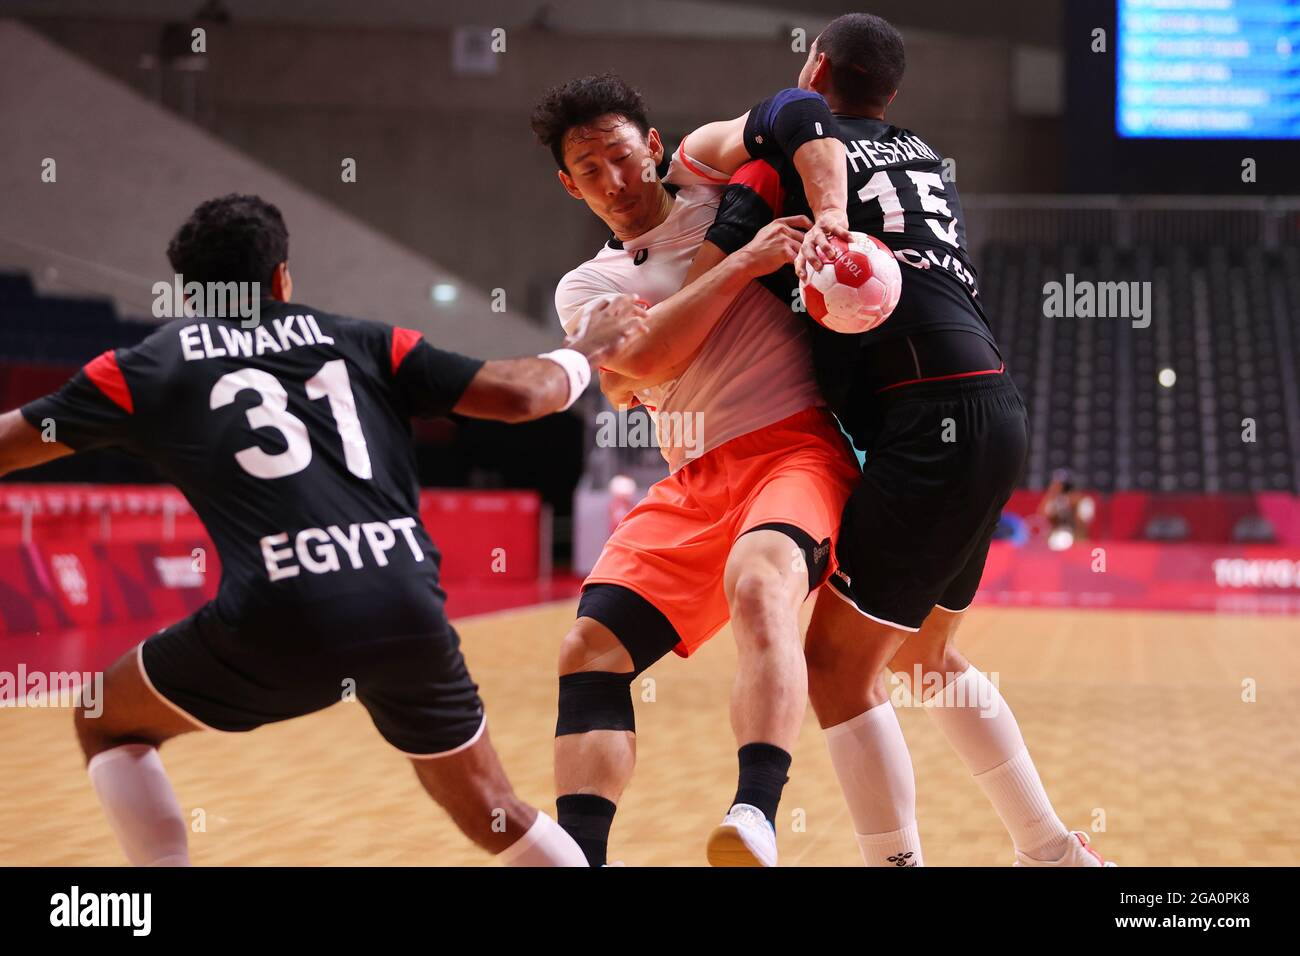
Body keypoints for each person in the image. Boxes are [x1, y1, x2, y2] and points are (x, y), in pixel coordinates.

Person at [0, 193, 649, 867]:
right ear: (282, 277)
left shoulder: (145, 367)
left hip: (281, 614)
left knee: (104, 718)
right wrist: (586, 347)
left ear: (189, 294)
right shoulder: (368, 340)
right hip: (405, 605)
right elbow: (522, 395)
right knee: (492, 810)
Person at [670, 13, 1114, 866]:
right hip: (993, 405)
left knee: (835, 667)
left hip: (925, 418)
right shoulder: (917, 155)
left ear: (816, 64)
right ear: (892, 94)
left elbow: (702, 224)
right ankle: (1053, 852)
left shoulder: (780, 160)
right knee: (926, 654)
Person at [530, 73, 861, 866]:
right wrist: (743, 261)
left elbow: (791, 116)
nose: (613, 182)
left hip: (795, 449)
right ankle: (582, 856)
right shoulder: (589, 285)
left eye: (620, 156)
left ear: (652, 148)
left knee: (758, 585)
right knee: (589, 649)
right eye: (589, 170)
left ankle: (755, 814)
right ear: (568, 186)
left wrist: (810, 138)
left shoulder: (713, 182)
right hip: (694, 479)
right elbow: (642, 360)